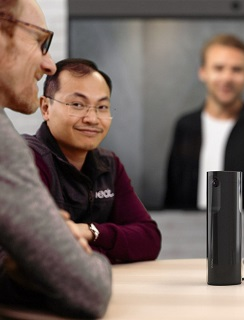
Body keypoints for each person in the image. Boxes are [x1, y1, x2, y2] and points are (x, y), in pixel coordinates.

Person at [0, 0, 111, 318]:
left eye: (102, 107)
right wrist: (83, 257)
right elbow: (87, 288)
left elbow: (148, 235)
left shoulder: (108, 163)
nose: (49, 64)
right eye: (40, 41)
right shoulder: (14, 150)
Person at [23, 58, 162, 264]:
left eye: (102, 107)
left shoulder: (109, 165)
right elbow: (40, 251)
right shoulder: (26, 160)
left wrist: (90, 231)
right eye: (77, 105)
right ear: (46, 108)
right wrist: (114, 249)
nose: (92, 119)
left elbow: (149, 240)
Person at [163, 33, 244, 210]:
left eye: (236, 69)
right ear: (203, 72)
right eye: (218, 68)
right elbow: (172, 195)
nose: (227, 78)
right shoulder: (185, 126)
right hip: (189, 231)